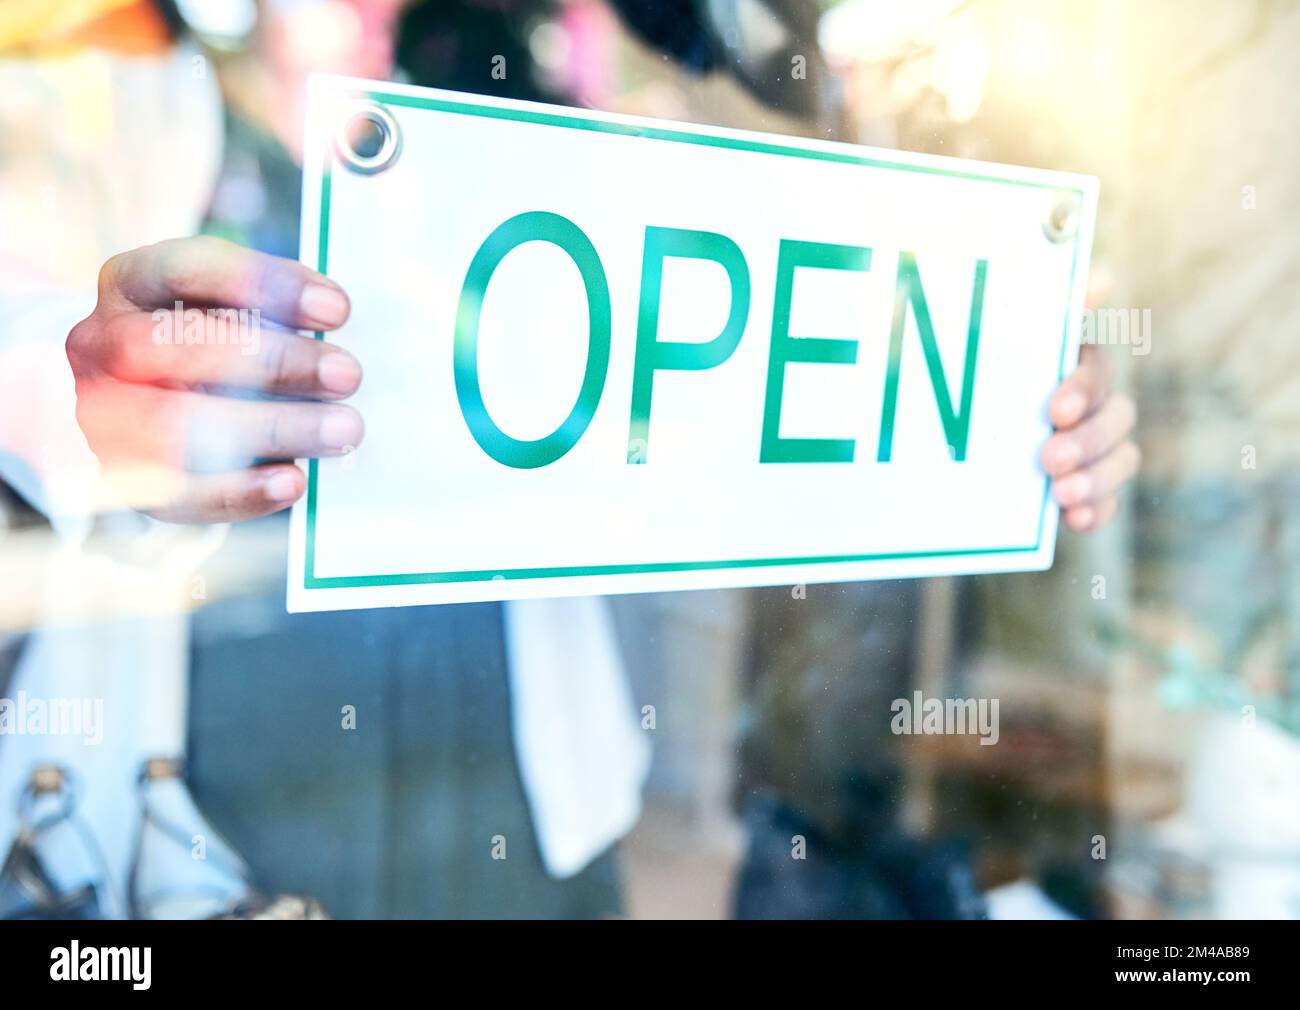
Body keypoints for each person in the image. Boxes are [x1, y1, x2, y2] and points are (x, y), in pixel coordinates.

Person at [2, 0, 1138, 918]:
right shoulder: (95, 82)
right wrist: (67, 388)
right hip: (213, 777)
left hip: (519, 782)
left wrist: (1004, 399)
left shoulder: (571, 93)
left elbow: (741, 365)